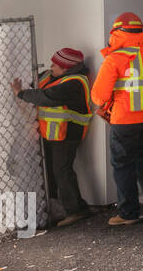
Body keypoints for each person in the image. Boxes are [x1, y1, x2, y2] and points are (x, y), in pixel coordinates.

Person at [91, 12, 143, 225]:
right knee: (139, 154)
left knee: (122, 163)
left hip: (125, 118)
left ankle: (128, 213)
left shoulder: (115, 58)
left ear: (116, 33)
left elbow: (99, 95)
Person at [12, 47, 94, 227]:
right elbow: (36, 84)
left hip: (68, 134)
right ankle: (61, 207)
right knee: (51, 171)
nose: (50, 67)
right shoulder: (51, 75)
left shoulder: (75, 83)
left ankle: (75, 211)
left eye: (55, 65)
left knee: (61, 171)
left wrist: (21, 93)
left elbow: (47, 96)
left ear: (66, 68)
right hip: (51, 132)